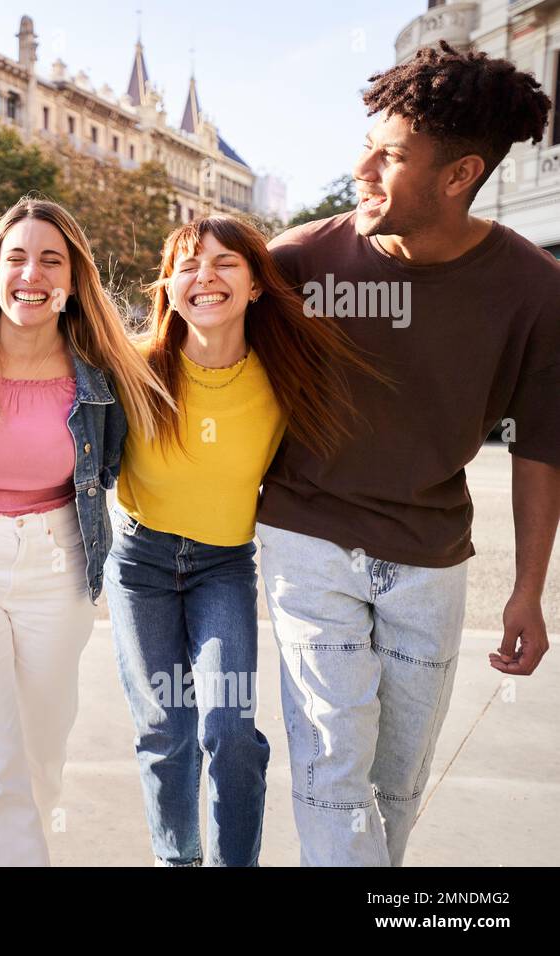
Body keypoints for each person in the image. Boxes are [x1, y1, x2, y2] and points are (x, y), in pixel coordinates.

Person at [257, 41, 560, 866]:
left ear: (460, 175)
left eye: (389, 154)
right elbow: (174, 330)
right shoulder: (296, 263)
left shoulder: (534, 290)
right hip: (305, 536)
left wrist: (528, 592)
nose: (361, 166)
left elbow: (542, 448)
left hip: (430, 559)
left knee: (395, 782)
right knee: (332, 767)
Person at [105, 214, 374, 866]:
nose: (205, 275)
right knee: (165, 732)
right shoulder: (132, 369)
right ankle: (179, 859)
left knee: (227, 733)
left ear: (256, 284)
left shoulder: (287, 375)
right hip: (140, 564)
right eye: (188, 263)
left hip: (222, 568)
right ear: (168, 286)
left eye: (225, 262)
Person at [0, 197, 170, 866]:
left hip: (59, 559)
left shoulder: (101, 364)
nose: (32, 274)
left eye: (51, 260)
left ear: (74, 278)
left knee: (40, 754)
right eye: (16, 257)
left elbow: (112, 461)